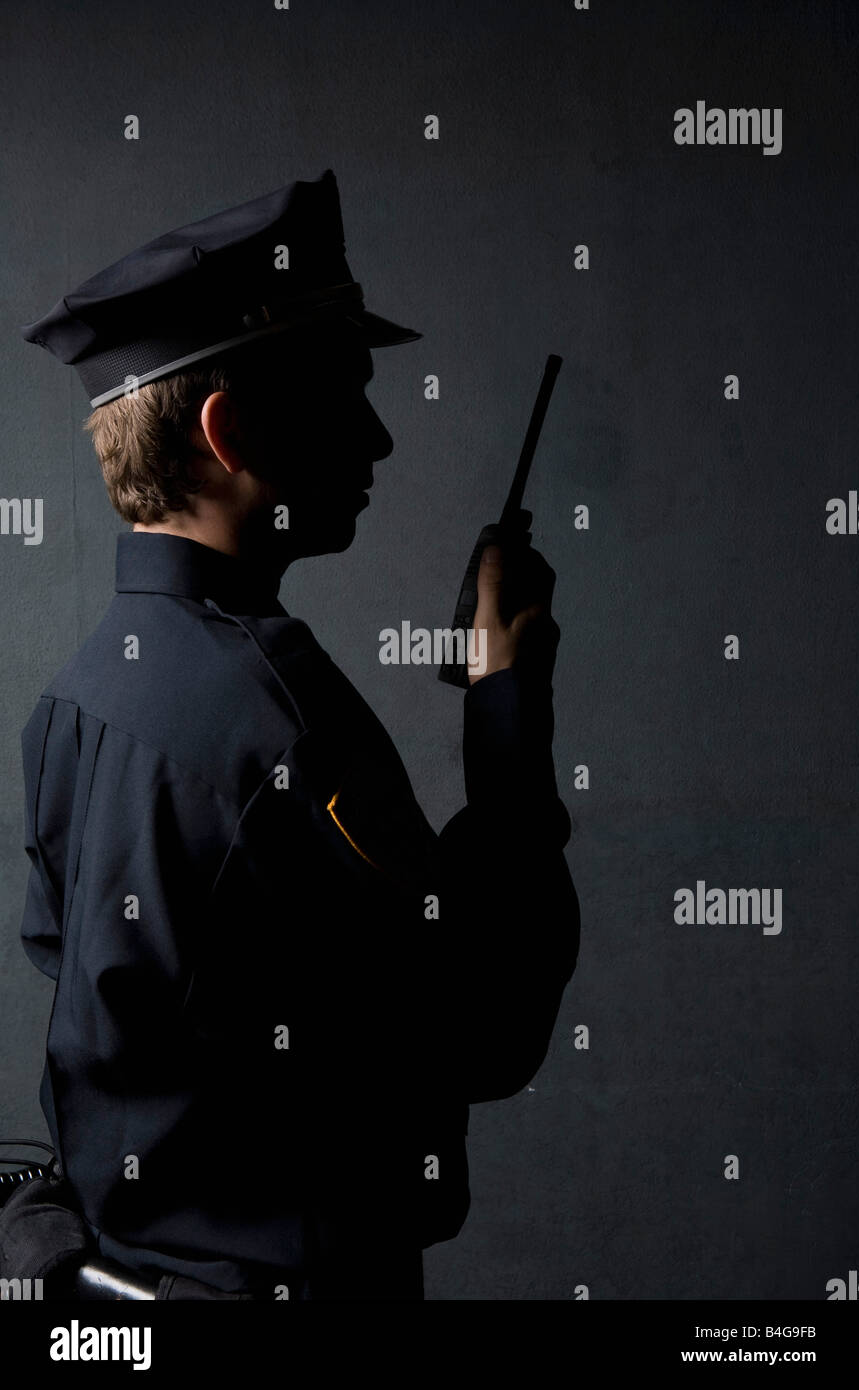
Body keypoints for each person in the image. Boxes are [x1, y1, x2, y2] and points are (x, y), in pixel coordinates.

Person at [3, 169, 580, 1300]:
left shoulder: (71, 704)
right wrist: (506, 703)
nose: (377, 439)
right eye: (338, 391)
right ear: (226, 431)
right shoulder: (275, 717)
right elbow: (489, 1022)